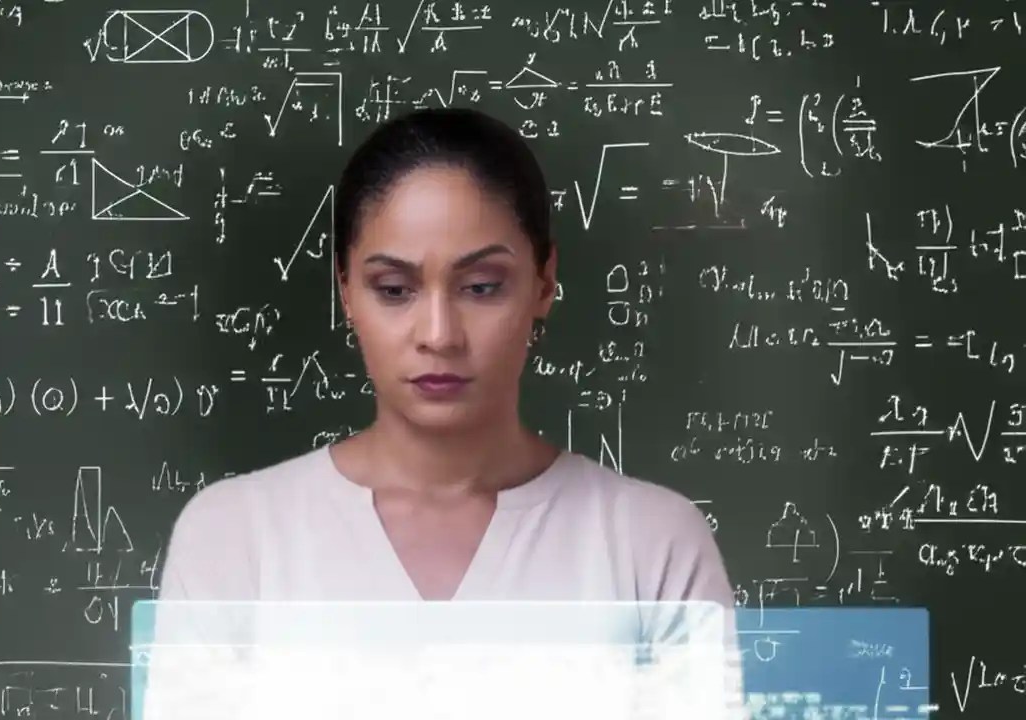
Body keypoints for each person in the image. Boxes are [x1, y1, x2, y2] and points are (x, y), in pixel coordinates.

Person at [144, 107, 744, 717]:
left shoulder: (654, 544)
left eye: (481, 286)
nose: (439, 334)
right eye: (395, 290)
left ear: (544, 282)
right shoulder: (233, 539)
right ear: (345, 290)